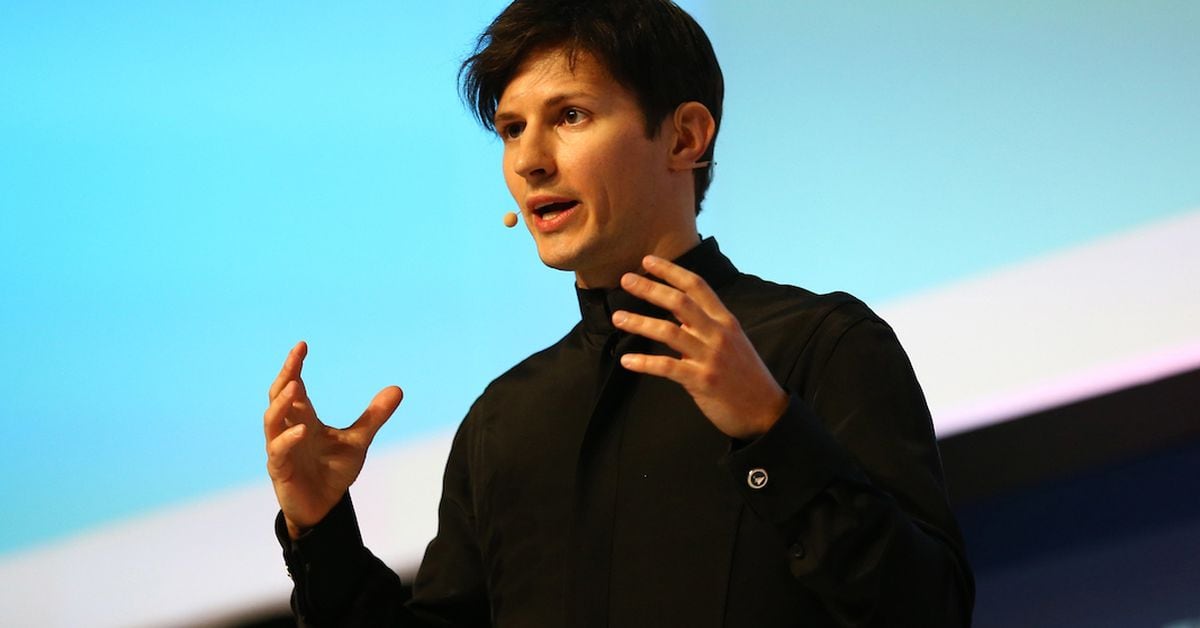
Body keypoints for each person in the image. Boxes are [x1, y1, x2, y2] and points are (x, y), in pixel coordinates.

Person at [263, 0, 975, 626]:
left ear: (685, 137)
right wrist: (320, 529)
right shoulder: (502, 421)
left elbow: (928, 611)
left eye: (569, 116)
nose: (530, 161)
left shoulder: (821, 348)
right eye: (511, 129)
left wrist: (771, 429)